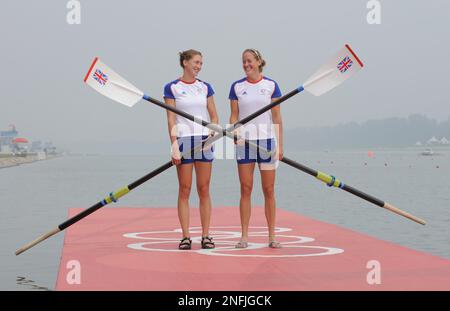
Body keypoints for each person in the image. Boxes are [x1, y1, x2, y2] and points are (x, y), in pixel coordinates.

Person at [163, 49, 219, 250]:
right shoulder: (172, 88)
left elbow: (214, 116)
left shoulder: (205, 87)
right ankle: (186, 236)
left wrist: (213, 132)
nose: (199, 66)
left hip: (204, 140)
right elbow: (171, 119)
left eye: (201, 63)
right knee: (184, 189)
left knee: (204, 189)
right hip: (184, 141)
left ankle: (206, 236)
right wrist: (174, 145)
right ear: (185, 62)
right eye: (196, 62)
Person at [229, 48, 283, 249]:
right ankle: (244, 236)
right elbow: (234, 116)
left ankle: (272, 236)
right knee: (246, 188)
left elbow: (277, 117)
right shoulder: (236, 87)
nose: (246, 64)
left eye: (250, 61)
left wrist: (280, 145)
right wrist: (234, 129)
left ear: (259, 62)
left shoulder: (271, 85)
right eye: (243, 61)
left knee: (269, 190)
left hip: (267, 142)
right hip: (244, 144)